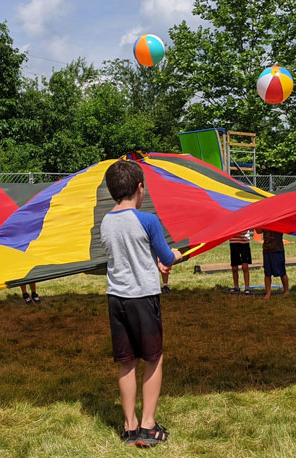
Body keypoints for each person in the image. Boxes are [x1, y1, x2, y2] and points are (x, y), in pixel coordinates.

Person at [100, 159, 181, 447]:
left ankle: (129, 425)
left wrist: (152, 262)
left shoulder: (106, 221)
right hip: (143, 298)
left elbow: (126, 254)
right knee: (153, 358)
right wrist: (174, 256)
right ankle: (148, 425)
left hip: (117, 298)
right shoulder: (147, 220)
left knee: (126, 362)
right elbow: (167, 257)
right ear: (140, 188)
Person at [261, 229, 289, 300]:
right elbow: (258, 231)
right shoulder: (264, 221)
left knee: (282, 272)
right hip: (267, 250)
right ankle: (268, 292)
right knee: (267, 273)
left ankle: (286, 291)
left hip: (277, 249)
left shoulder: (277, 221)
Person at [229, 230, 253, 294]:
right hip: (233, 241)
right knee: (234, 267)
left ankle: (247, 287)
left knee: (245, 267)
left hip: (244, 242)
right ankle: (236, 287)